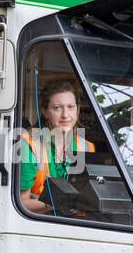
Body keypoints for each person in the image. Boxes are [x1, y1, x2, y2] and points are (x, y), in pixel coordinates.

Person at [20, 78, 94, 215]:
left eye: (70, 107)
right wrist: (61, 204)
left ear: (77, 110)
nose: (65, 115)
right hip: (39, 224)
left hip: (81, 225)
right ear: (45, 111)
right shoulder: (29, 146)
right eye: (57, 108)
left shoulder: (87, 147)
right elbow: (21, 203)